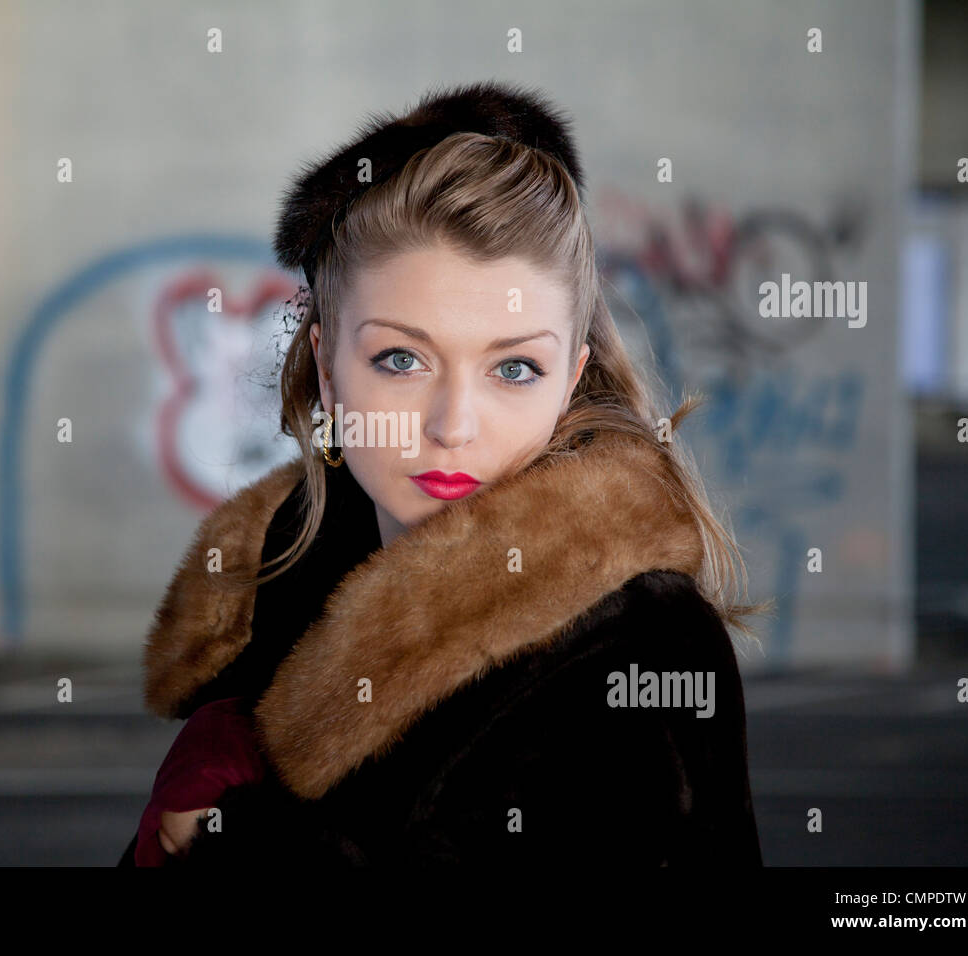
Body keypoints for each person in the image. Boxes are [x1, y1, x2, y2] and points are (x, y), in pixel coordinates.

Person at [118, 80, 770, 868]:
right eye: (401, 358)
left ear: (572, 381)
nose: (452, 425)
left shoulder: (639, 646)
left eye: (515, 369)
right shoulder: (270, 606)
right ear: (326, 369)